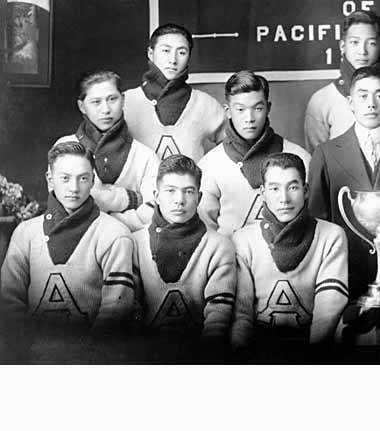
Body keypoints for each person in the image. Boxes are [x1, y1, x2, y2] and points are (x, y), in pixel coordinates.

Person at [308, 64, 380, 304]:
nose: (371, 104)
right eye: (362, 96)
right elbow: (317, 221)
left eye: (379, 95)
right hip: (343, 275)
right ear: (350, 102)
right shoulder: (326, 153)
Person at [0, 141, 135, 332]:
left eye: (83, 178)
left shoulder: (114, 234)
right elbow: (8, 301)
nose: (74, 187)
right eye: (65, 178)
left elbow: (116, 308)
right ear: (50, 179)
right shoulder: (25, 233)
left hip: (91, 354)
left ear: (93, 181)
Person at [231, 153, 349, 359]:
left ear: (305, 191)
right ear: (262, 193)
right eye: (274, 188)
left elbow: (328, 307)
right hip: (259, 349)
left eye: (292, 187)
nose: (284, 198)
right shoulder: (243, 240)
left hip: (313, 348)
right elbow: (241, 314)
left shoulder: (331, 236)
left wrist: (311, 359)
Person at [132, 154, 236, 354]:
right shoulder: (135, 243)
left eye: (188, 192)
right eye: (170, 191)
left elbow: (218, 316)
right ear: (156, 196)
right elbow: (130, 312)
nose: (179, 201)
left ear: (200, 197)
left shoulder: (219, 246)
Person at [199, 71, 311, 237]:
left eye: (257, 108)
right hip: (230, 259)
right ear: (228, 111)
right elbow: (206, 230)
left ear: (268, 108)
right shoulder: (210, 165)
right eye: (240, 110)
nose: (249, 118)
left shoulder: (300, 158)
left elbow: (311, 222)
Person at [303, 9, 380, 154]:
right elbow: (318, 161)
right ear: (342, 46)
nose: (362, 51)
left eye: (371, 43)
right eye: (354, 42)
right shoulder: (322, 100)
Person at [54, 69, 159, 231]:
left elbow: (154, 209)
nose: (106, 110)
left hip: (129, 242)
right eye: (96, 102)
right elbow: (64, 204)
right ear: (82, 106)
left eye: (112, 99)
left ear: (123, 100)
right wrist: (129, 199)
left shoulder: (144, 156)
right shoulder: (64, 148)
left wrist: (111, 223)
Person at [123, 23, 225, 162]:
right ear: (151, 54)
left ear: (189, 56)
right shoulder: (126, 102)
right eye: (166, 51)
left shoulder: (205, 104)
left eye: (181, 52)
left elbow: (233, 146)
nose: (173, 60)